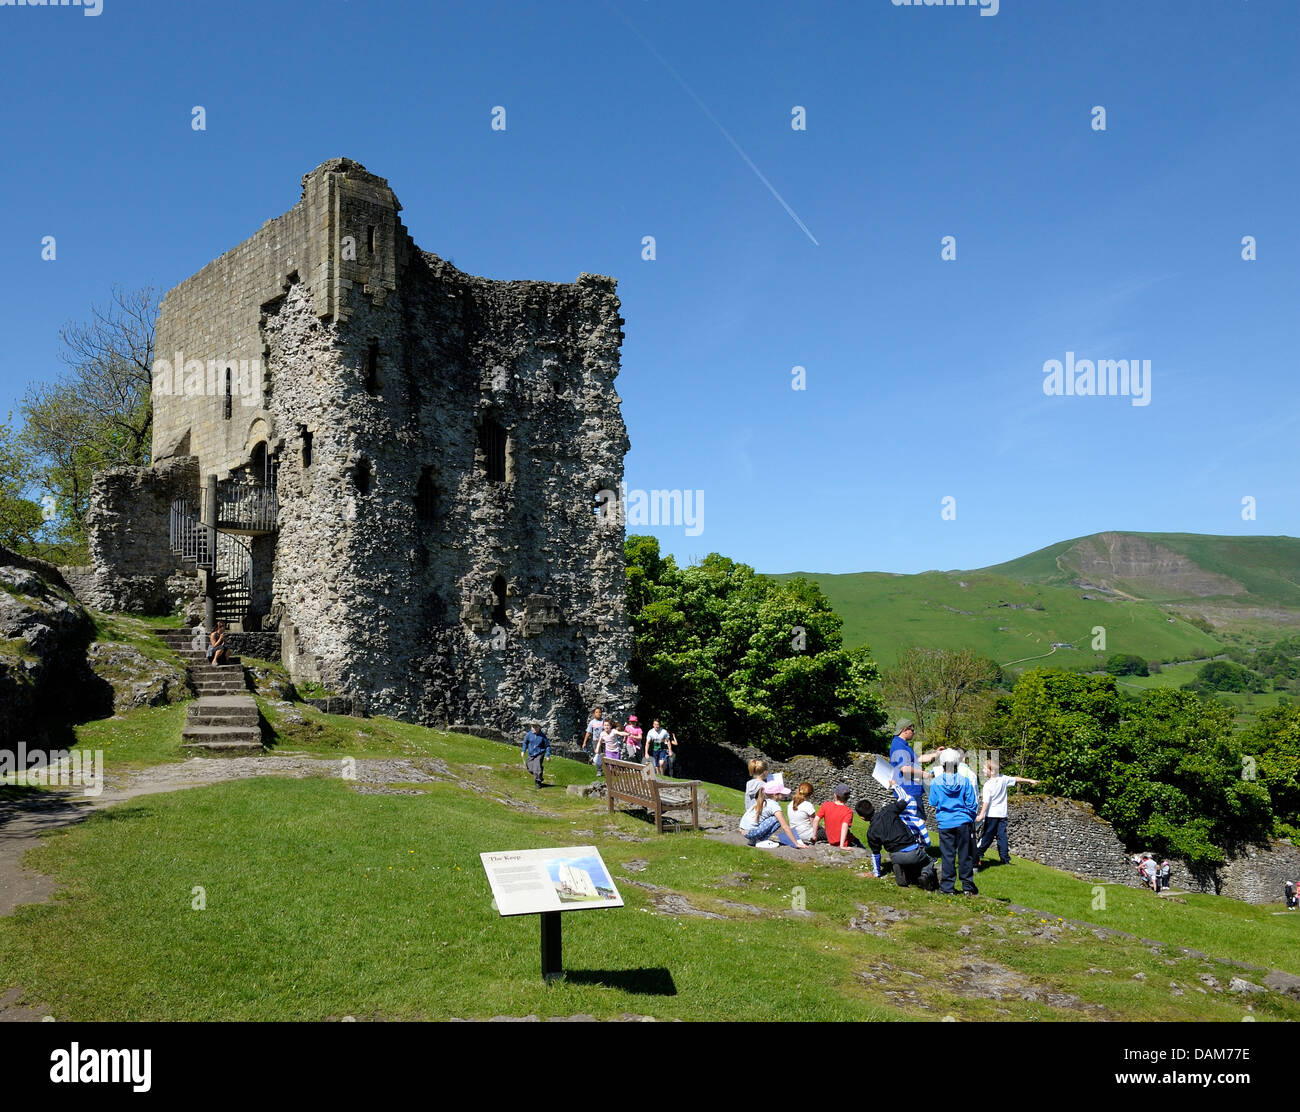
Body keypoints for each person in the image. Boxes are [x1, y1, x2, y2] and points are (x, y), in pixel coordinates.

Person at [928, 748, 979, 895]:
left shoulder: (937, 782)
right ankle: (967, 887)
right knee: (965, 855)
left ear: (943, 765)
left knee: (948, 855)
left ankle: (947, 887)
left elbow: (933, 801)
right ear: (956, 764)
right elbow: (972, 803)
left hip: (945, 822)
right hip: (963, 822)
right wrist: (967, 816)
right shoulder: (965, 781)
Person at [974, 758, 1039, 869]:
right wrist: (1030, 781)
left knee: (986, 837)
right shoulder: (1003, 779)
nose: (983, 771)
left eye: (985, 768)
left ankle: (977, 854)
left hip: (991, 815)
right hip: (1002, 815)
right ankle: (1005, 860)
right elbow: (1017, 779)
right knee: (1002, 837)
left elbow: (986, 802)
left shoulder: (988, 785)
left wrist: (981, 815)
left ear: (992, 771)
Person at [859, 794, 935, 889]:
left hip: (895, 856)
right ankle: (925, 875)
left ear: (862, 818)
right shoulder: (888, 810)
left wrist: (876, 873)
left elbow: (876, 854)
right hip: (913, 851)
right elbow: (906, 799)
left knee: (897, 857)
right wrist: (897, 787)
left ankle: (899, 871)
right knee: (929, 861)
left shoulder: (871, 832)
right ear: (873, 807)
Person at [890, 719, 937, 818]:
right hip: (909, 790)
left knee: (918, 820)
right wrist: (923, 774)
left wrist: (936, 754)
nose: (913, 733)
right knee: (917, 821)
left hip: (911, 790)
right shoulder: (899, 746)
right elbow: (905, 769)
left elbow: (918, 759)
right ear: (905, 730)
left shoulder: (904, 745)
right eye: (912, 730)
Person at [739, 781, 807, 848]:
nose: (784, 795)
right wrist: (796, 843)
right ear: (775, 794)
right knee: (777, 819)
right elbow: (785, 826)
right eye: (782, 793)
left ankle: (753, 840)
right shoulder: (774, 806)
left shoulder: (763, 801)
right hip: (751, 833)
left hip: (744, 831)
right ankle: (761, 840)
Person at [812, 784, 862, 848]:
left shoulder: (825, 805)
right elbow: (844, 827)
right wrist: (842, 845)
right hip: (846, 841)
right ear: (848, 798)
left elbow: (816, 820)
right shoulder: (848, 811)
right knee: (860, 845)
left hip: (831, 840)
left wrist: (814, 836)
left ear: (835, 795)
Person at [521, 723, 550, 787]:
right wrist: (523, 750)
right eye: (533, 727)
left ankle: (538, 782)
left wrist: (547, 756)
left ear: (539, 727)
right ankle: (540, 774)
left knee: (536, 767)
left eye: (536, 727)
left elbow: (547, 746)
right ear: (531, 727)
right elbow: (525, 742)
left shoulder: (543, 736)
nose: (534, 728)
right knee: (530, 768)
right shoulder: (529, 734)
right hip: (531, 754)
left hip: (540, 753)